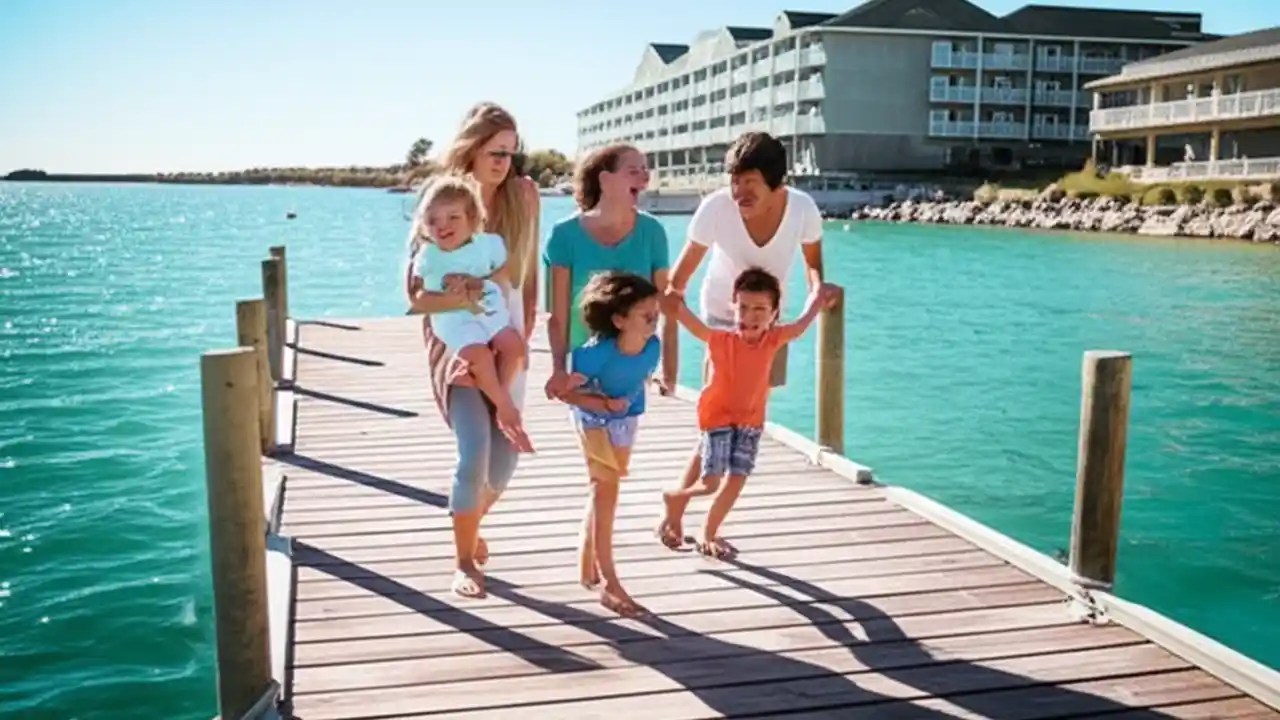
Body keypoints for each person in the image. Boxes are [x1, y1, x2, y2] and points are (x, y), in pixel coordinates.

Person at [658, 131, 826, 550]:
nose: (738, 192)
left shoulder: (802, 209)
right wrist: (667, 352)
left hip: (769, 323)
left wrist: (818, 297)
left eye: (749, 183)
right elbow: (679, 277)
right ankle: (675, 514)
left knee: (744, 419)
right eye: (734, 181)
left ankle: (702, 523)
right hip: (721, 316)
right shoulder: (716, 208)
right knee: (719, 420)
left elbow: (814, 267)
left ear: (775, 184)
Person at [405, 102, 539, 599]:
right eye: (494, 151)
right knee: (474, 453)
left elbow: (525, 273)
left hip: (506, 331)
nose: (503, 161)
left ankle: (469, 525)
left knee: (503, 465)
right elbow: (416, 293)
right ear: (472, 148)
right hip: (455, 337)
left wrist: (529, 328)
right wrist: (462, 295)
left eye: (510, 152)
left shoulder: (523, 196)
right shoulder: (444, 202)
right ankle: (463, 561)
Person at [660, 268, 837, 558]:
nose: (751, 316)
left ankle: (709, 532)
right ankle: (674, 498)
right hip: (717, 417)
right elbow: (689, 321)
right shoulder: (721, 340)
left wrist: (817, 299)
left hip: (750, 422)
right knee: (710, 482)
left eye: (760, 309)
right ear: (733, 307)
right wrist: (675, 301)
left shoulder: (773, 339)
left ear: (774, 313)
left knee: (738, 478)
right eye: (743, 307)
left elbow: (802, 325)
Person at [556, 271, 662, 617]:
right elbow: (560, 392)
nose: (653, 323)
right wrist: (601, 404)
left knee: (602, 489)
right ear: (618, 320)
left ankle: (586, 565)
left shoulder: (653, 347)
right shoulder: (591, 357)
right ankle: (610, 584)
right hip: (592, 416)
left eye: (655, 316)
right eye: (646, 317)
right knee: (607, 488)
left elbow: (638, 379)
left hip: (626, 417)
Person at [542, 143, 676, 403]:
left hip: (633, 367)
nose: (645, 176)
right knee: (595, 440)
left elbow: (666, 305)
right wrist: (559, 369)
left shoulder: (653, 232)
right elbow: (557, 315)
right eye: (633, 170)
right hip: (584, 371)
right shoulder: (564, 235)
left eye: (645, 170)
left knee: (621, 442)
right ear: (605, 179)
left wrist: (668, 370)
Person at [410, 175, 531, 451]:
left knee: (515, 347)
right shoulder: (429, 256)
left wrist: (479, 281)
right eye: (433, 221)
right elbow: (417, 297)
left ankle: (494, 394)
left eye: (452, 217)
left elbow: (506, 273)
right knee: (480, 354)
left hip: (488, 307)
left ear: (472, 217)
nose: (443, 226)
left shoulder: (488, 244)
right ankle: (503, 406)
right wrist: (447, 293)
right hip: (455, 318)